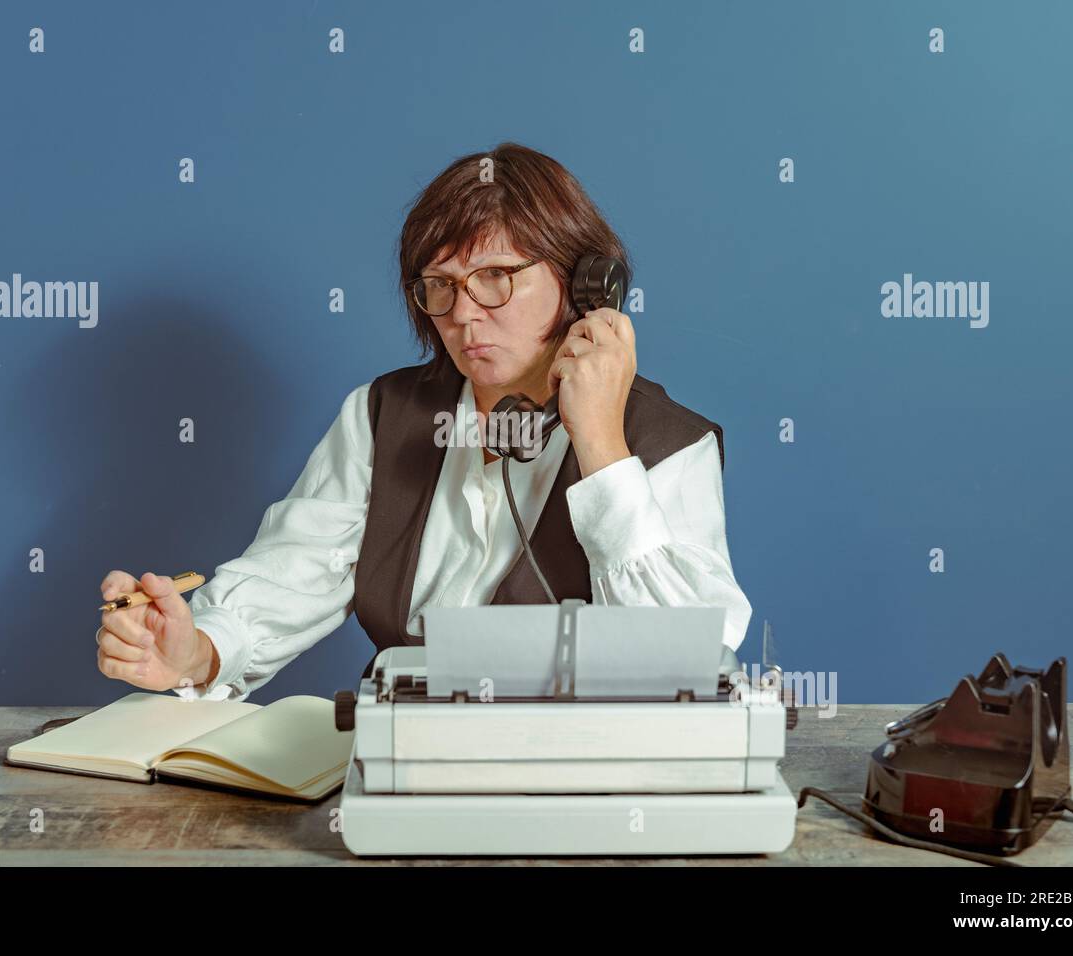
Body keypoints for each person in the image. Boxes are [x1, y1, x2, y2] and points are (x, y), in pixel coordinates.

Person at [95, 142, 752, 702]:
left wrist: (603, 444)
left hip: (577, 781)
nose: (463, 315)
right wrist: (195, 652)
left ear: (583, 284)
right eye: (440, 285)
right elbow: (289, 574)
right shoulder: (383, 415)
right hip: (401, 763)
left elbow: (690, 658)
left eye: (495, 276)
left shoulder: (669, 444)